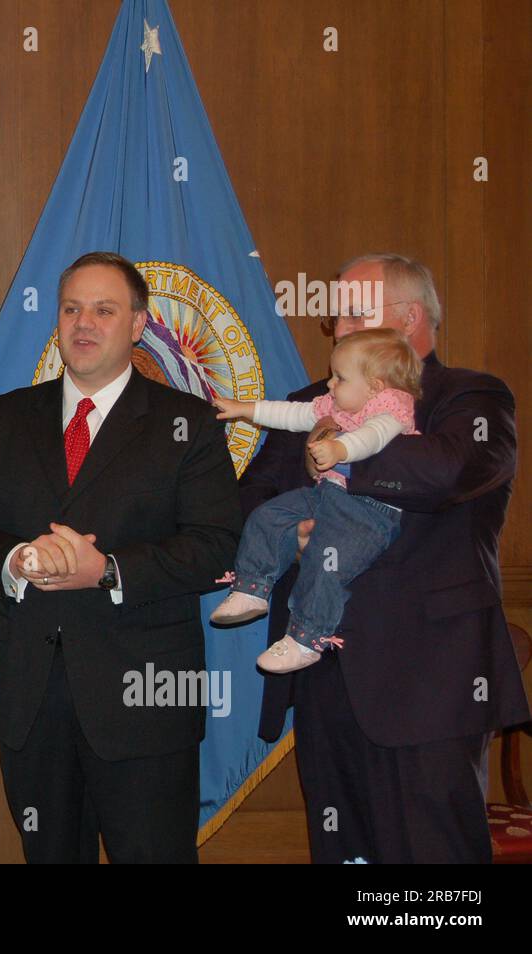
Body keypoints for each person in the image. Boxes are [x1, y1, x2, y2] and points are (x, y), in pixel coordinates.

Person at [0, 252, 241, 863]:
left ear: (138, 324)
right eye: (72, 308)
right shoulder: (5, 418)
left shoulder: (187, 423)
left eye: (105, 310)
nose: (84, 323)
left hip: (147, 698)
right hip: (33, 700)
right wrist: (20, 559)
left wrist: (104, 571)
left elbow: (216, 547)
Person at [245, 253, 529, 863]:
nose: (339, 330)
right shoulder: (309, 401)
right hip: (324, 677)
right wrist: (292, 529)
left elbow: (447, 470)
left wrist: (339, 450)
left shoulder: (471, 397)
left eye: (353, 315)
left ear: (409, 318)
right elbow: (249, 502)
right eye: (335, 319)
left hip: (430, 684)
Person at [211, 329, 422, 672]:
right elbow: (291, 414)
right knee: (269, 515)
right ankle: (253, 586)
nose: (329, 385)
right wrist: (244, 409)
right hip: (328, 495)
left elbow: (374, 435)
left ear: (375, 387)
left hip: (369, 511)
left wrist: (340, 447)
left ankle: (307, 637)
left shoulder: (393, 408)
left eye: (339, 377)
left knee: (328, 563)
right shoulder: (336, 405)